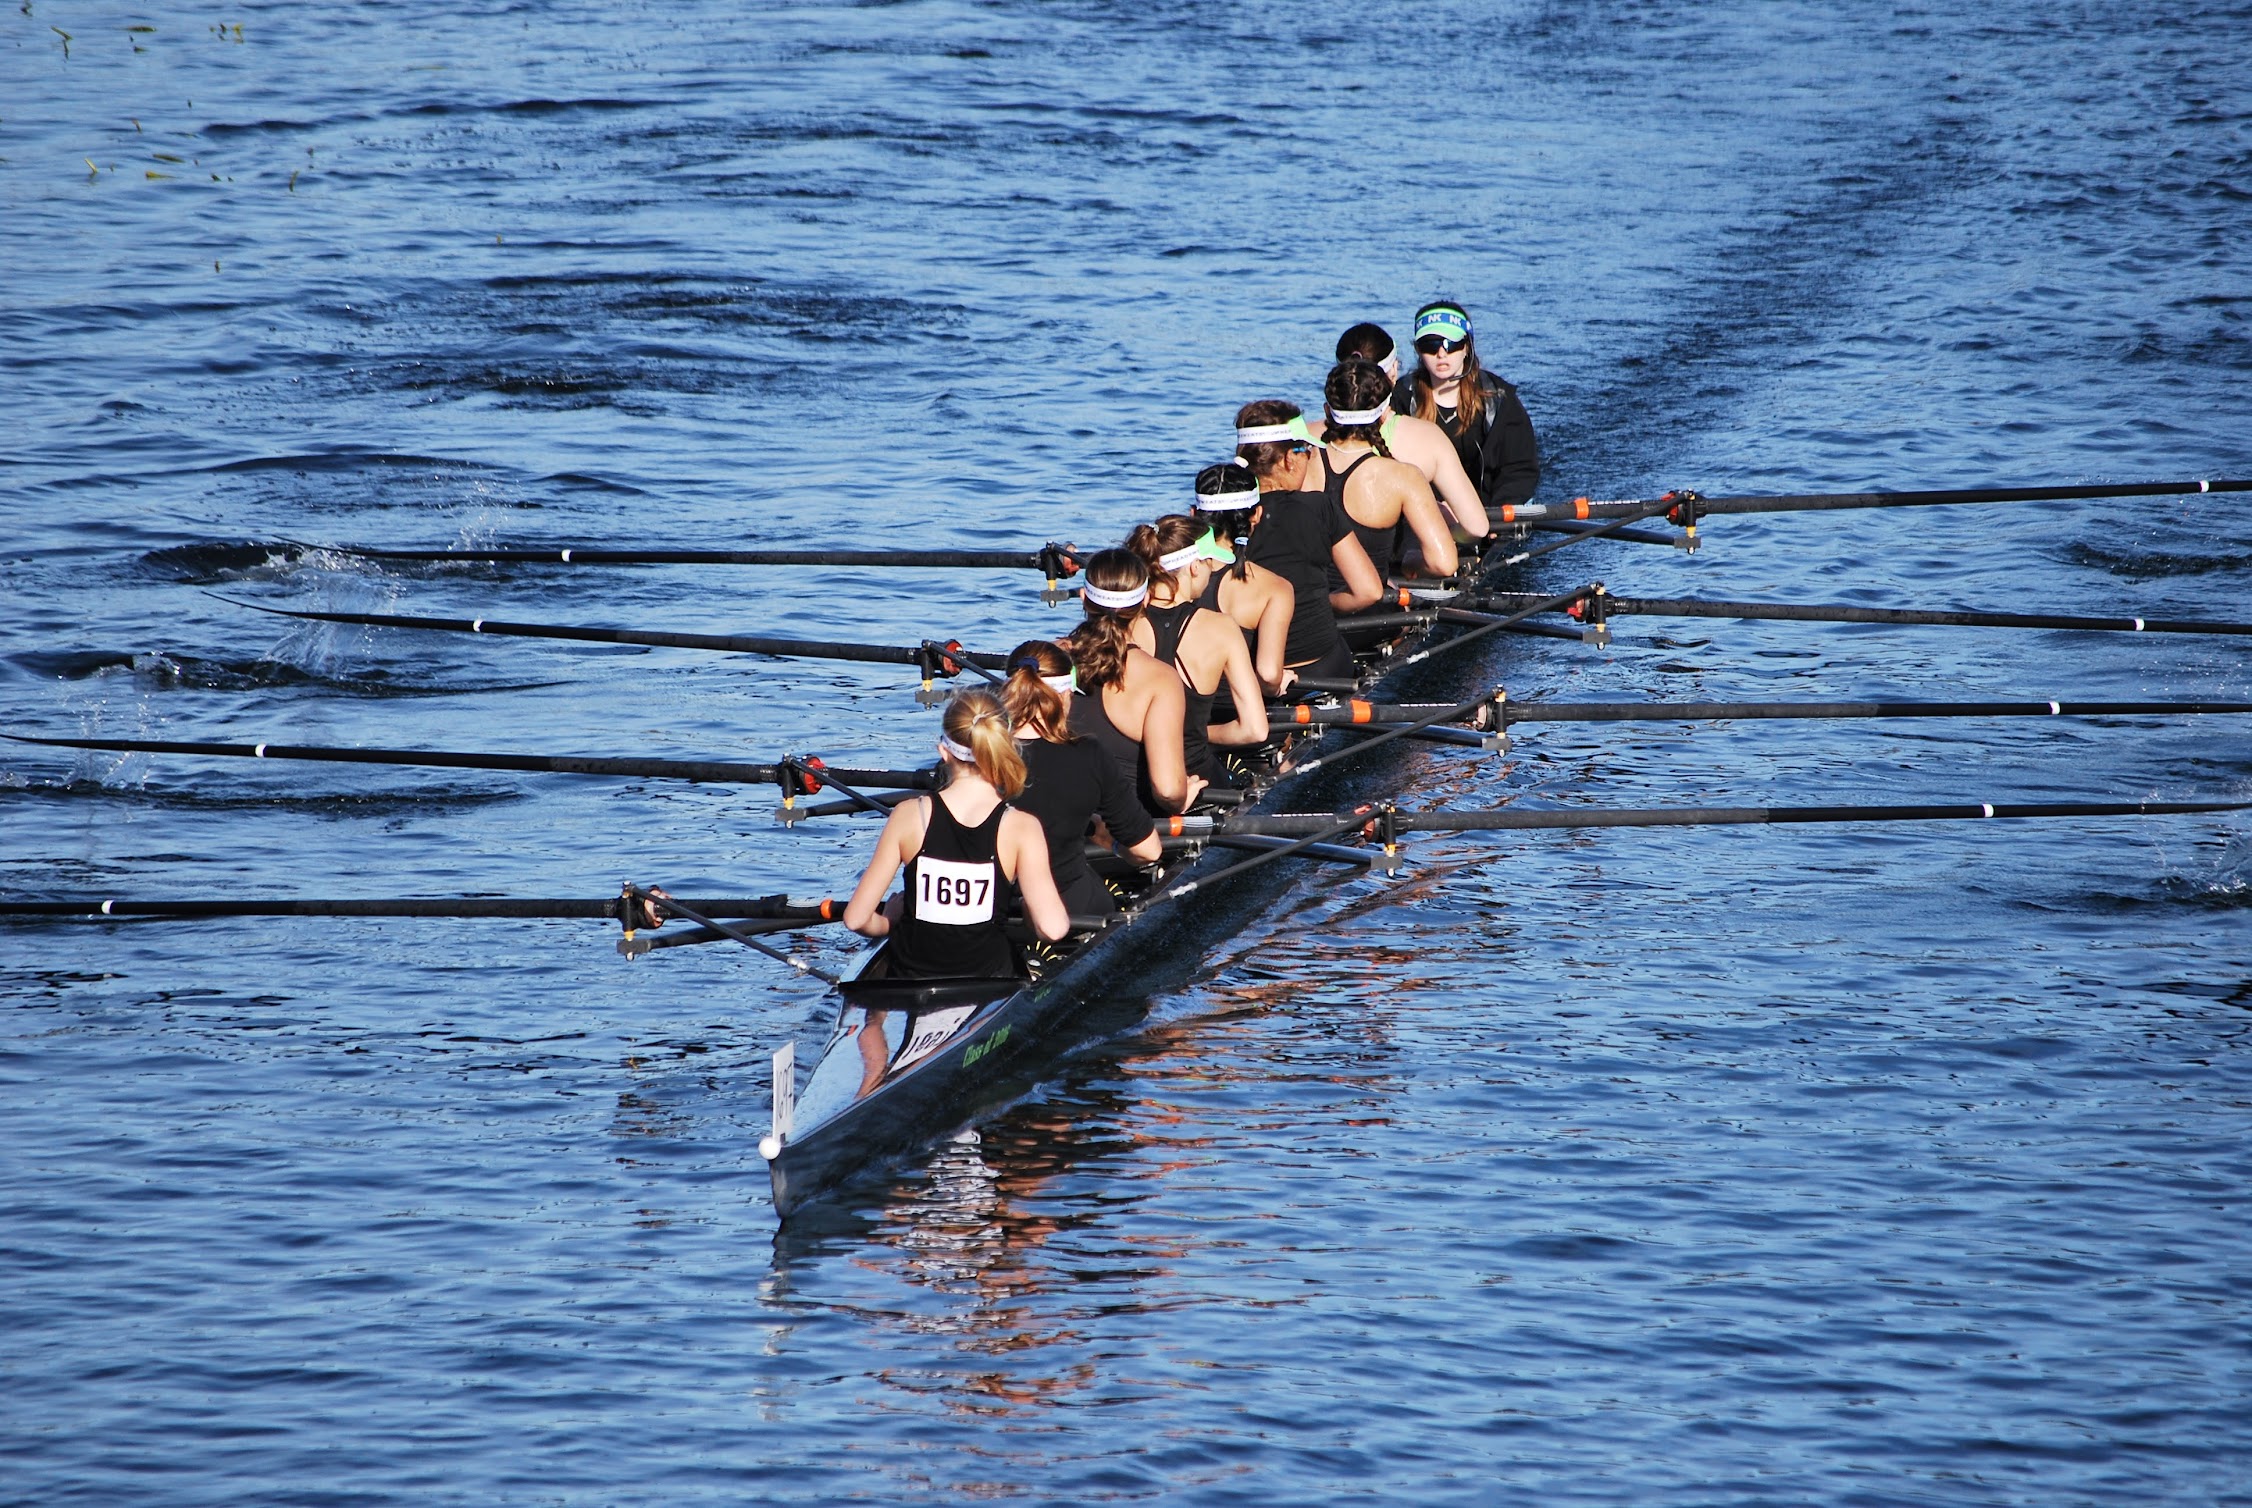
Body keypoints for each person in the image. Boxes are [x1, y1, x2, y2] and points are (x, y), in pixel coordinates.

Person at [843, 689, 1068, 978]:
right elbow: (1053, 928)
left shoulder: (909, 814)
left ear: (944, 752)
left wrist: (889, 921)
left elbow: (856, 918)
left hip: (910, 980)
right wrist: (1028, 914)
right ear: (1002, 747)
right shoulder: (1022, 827)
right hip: (989, 982)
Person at [999, 640, 1162, 916]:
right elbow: (1149, 851)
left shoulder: (975, 754)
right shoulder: (1089, 755)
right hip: (1065, 901)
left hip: (991, 902)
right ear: (1064, 696)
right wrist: (1109, 842)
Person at [1233, 399, 1382, 683]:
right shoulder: (1319, 507)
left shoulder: (1221, 519)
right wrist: (1322, 602)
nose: (1311, 456)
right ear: (1290, 459)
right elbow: (1370, 591)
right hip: (1321, 668)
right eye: (1307, 450)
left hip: (1250, 674)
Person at [1125, 515, 1271, 787]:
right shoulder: (1222, 628)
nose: (1211, 570)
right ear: (1194, 567)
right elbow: (1256, 730)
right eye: (1208, 562)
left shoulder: (1117, 626)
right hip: (1195, 778)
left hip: (1130, 780)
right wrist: (1200, 733)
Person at [1065, 548, 1203, 815]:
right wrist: (1182, 799)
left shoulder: (1049, 658)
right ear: (1145, 601)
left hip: (1056, 827)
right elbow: (1167, 791)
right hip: (1127, 837)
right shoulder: (1160, 679)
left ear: (1084, 599)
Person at [1328, 322, 1491, 537]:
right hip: (1405, 564)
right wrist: (1445, 528)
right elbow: (1477, 528)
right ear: (1393, 371)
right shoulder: (1428, 439)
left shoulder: (1308, 439)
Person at [1315, 359, 1459, 588]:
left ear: (1327, 411)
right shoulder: (1404, 477)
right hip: (1373, 612)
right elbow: (1444, 564)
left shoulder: (1297, 463)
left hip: (1307, 611)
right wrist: (1410, 564)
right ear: (1384, 415)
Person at [1394, 301, 1540, 513]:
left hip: (1488, 513)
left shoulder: (1499, 399)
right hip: (1424, 513)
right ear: (1418, 349)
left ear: (1467, 347)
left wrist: (1499, 514)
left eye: (1451, 344)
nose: (1441, 353)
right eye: (1431, 345)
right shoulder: (1401, 398)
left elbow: (1519, 470)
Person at [1191, 462, 1296, 697]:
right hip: (1235, 710)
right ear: (1256, 514)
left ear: (1193, 515)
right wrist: (1276, 687)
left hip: (1176, 707)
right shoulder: (1274, 588)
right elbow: (1268, 675)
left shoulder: (1167, 573)